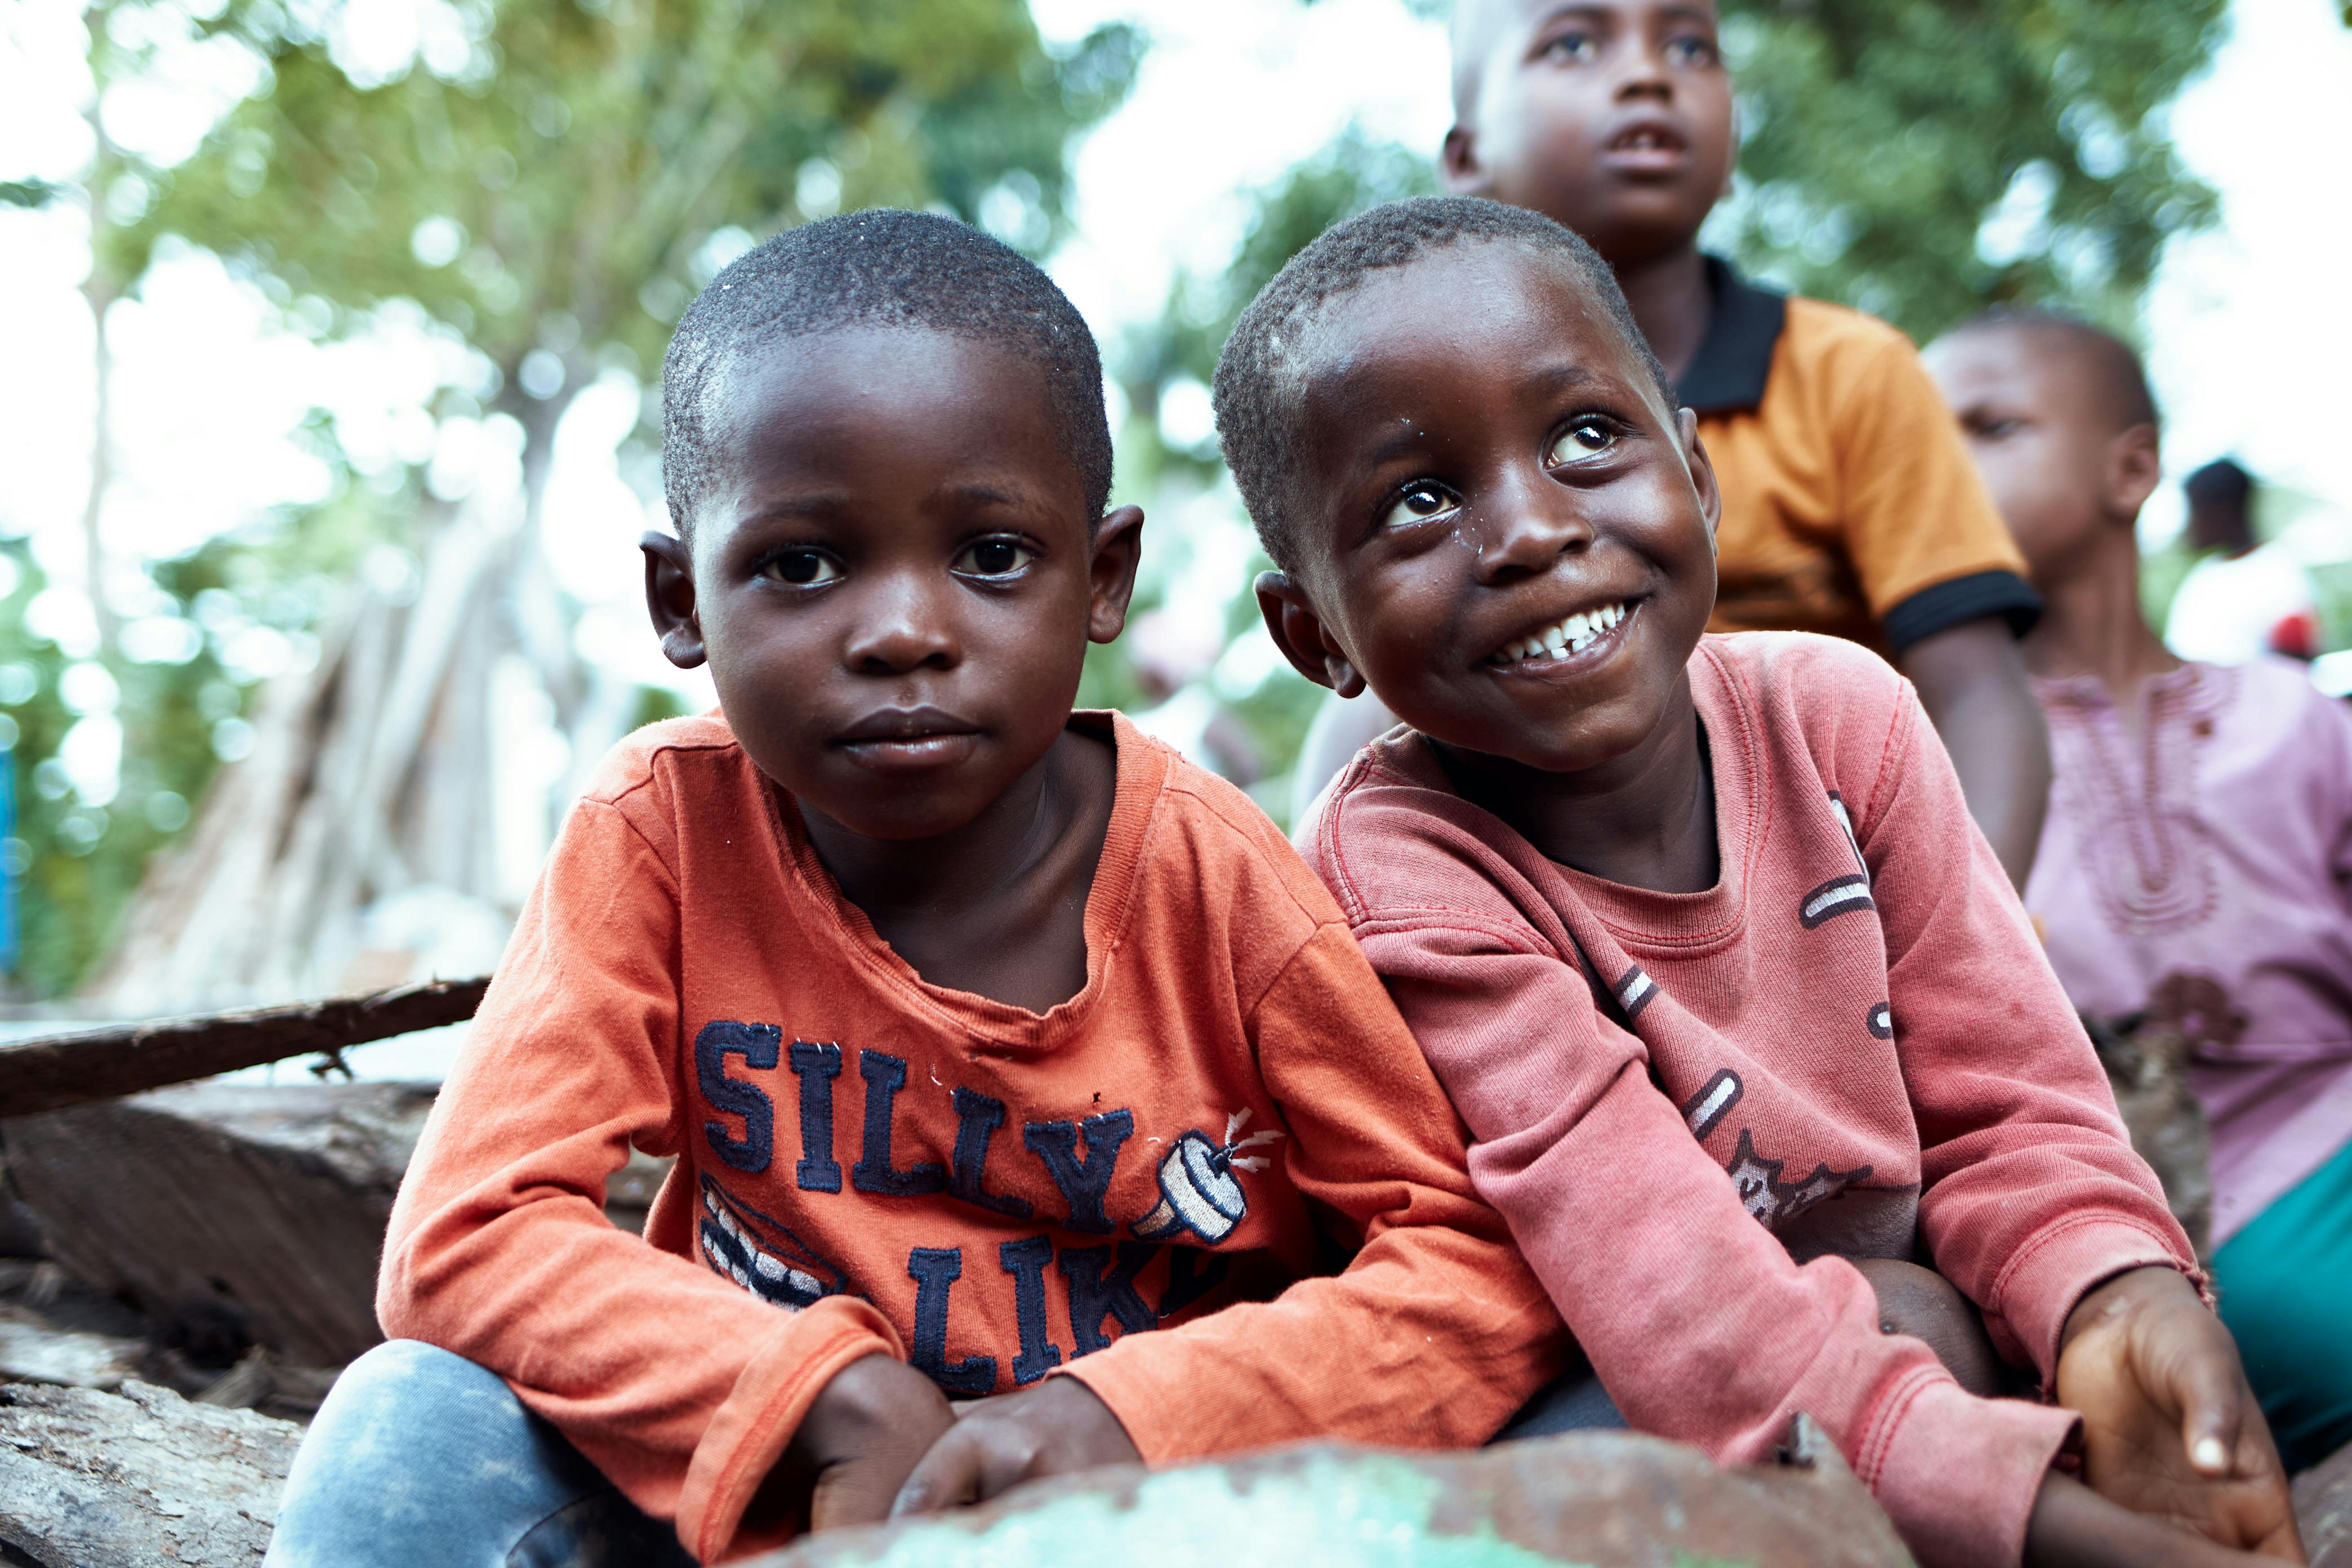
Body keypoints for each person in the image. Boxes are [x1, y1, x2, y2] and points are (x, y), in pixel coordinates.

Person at [264, 211, 1563, 1567]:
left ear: (1102, 579)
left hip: (1138, 1528)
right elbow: (467, 1231)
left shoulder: (1214, 882)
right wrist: (821, 1398)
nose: (902, 633)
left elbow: (1467, 1269)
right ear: (681, 602)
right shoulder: (666, 831)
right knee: (409, 1415)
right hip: (785, 1509)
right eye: (802, 564)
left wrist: (1119, 1420)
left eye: (991, 555)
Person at [1223, 196, 2302, 1567]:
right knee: (1892, 1333)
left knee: (1984, 1330)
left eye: (1585, 438)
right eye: (1418, 501)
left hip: (1865, 1347)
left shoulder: (1842, 717)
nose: (1534, 531)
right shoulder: (1397, 869)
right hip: (1585, 1406)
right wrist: (2051, 1531)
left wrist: (2114, 1295)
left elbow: (2011, 1108)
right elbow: (1680, 1306)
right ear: (1313, 634)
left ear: (1696, 471)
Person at [1293, 0, 2051, 890]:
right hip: (1539, 910)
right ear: (1467, 158)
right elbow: (1374, 714)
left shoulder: (1849, 373)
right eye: (1574, 43)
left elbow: (1979, 692)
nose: (1649, 74)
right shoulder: (1404, 417)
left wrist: (1953, 935)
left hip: (1841, 894)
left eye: (1690, 45)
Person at [1925, 309, 2352, 1475]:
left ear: (2132, 470)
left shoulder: (2293, 719)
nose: (1933, 462)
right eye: (1915, 435)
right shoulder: (1912, 750)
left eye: (1988, 427)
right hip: (2128, 1215)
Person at [2163, 460, 2322, 665]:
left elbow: (2297, 669)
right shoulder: (2204, 575)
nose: (2189, 524)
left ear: (2220, 511)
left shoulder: (2277, 575)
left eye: (2193, 509)